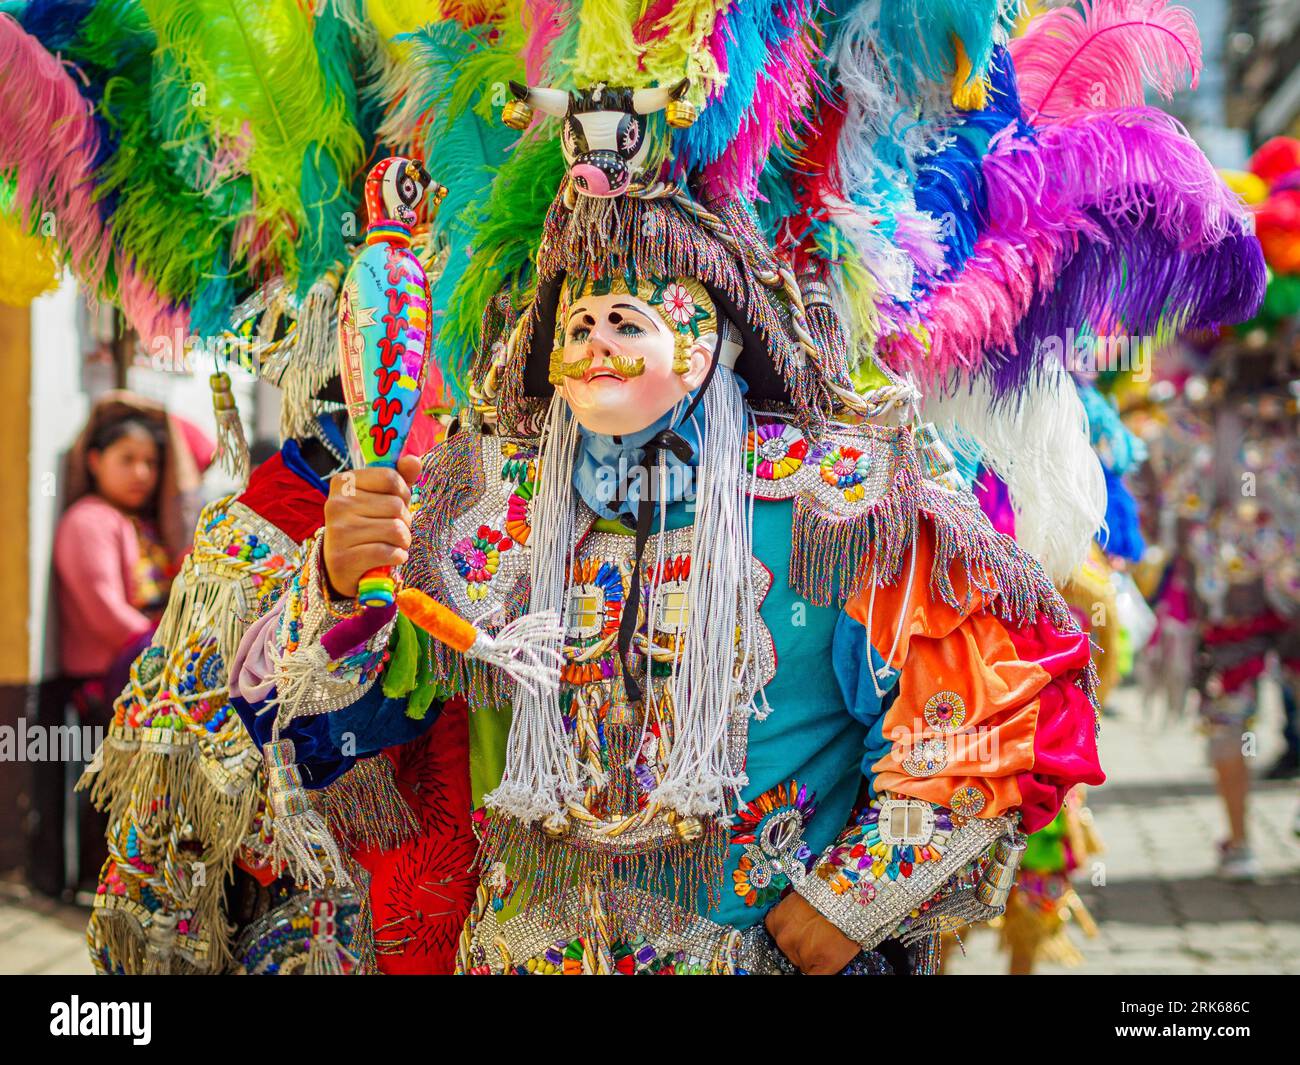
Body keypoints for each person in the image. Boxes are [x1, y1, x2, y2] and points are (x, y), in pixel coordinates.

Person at [34, 392, 199, 898]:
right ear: (93, 460)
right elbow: (106, 612)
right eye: (126, 459)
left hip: (141, 668)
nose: (142, 473)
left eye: (150, 462)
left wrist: (154, 409)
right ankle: (97, 884)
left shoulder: (140, 520)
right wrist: (170, 657)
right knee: (107, 790)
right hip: (107, 681)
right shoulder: (89, 520)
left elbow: (204, 445)